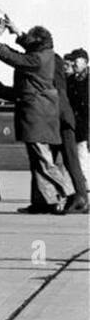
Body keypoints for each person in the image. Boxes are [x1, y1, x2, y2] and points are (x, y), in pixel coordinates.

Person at [0, 19, 72, 214]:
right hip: (43, 114)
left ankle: (63, 194)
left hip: (37, 116)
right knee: (39, 159)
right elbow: (28, 48)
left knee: (42, 159)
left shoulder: (36, 60)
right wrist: (17, 32)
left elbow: (12, 57)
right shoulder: (46, 55)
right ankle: (46, 201)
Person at [52, 53, 88, 213]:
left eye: (73, 65)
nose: (71, 68)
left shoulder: (73, 82)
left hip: (76, 128)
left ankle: (80, 195)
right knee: (72, 163)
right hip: (73, 126)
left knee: (77, 162)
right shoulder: (70, 81)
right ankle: (78, 196)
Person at [67, 48, 89, 191]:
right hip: (77, 125)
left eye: (76, 59)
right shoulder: (70, 80)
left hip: (85, 125)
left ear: (85, 61)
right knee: (80, 155)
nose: (73, 63)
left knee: (82, 155)